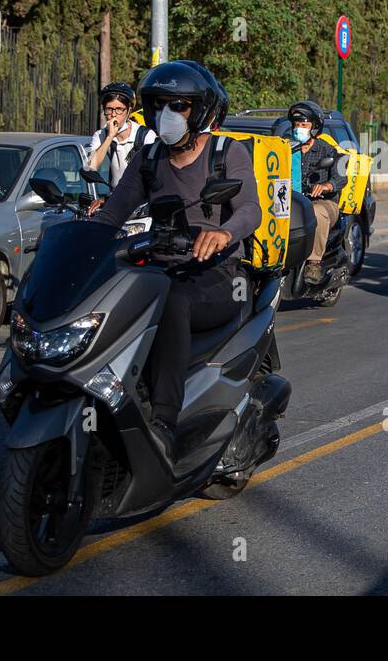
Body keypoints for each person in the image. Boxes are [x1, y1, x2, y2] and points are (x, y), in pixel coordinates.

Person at [94, 61, 262, 464]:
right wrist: (83, 234)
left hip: (218, 275)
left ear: (200, 110)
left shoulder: (227, 153)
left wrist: (223, 233)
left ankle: (164, 423)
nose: (167, 114)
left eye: (180, 105)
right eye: (159, 105)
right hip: (159, 266)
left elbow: (251, 211)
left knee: (171, 301)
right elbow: (114, 211)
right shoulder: (149, 157)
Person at [286, 100, 347, 284]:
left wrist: (326, 186)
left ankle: (314, 263)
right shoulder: (286, 149)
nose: (299, 129)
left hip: (323, 202)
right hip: (293, 201)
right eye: (296, 125)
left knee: (317, 212)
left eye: (304, 125)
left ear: (314, 127)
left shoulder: (327, 150)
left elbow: (340, 178)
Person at [85, 82, 156, 214]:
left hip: (143, 205)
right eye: (109, 109)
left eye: (119, 109)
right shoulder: (101, 135)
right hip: (118, 202)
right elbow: (90, 167)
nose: (113, 114)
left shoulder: (146, 136)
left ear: (129, 110)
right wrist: (110, 137)